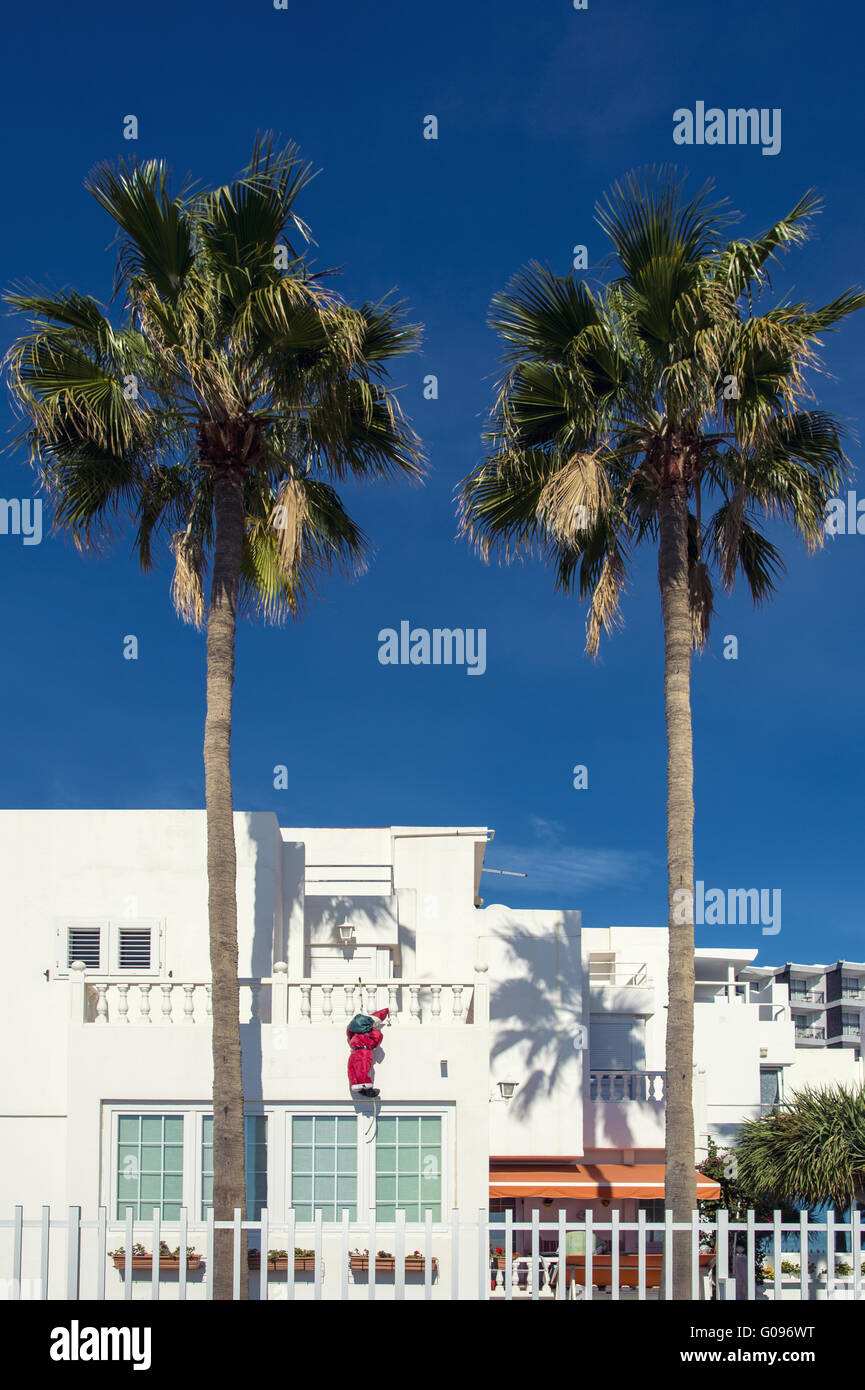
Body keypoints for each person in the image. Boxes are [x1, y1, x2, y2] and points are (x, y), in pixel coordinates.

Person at [346, 1008, 389, 1098]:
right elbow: (377, 1039)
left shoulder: (355, 1032)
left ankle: (357, 1086)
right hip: (364, 1051)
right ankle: (367, 1089)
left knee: (352, 1070)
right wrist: (374, 1030)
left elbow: (348, 1032)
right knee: (363, 1069)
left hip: (354, 1052)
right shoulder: (371, 1031)